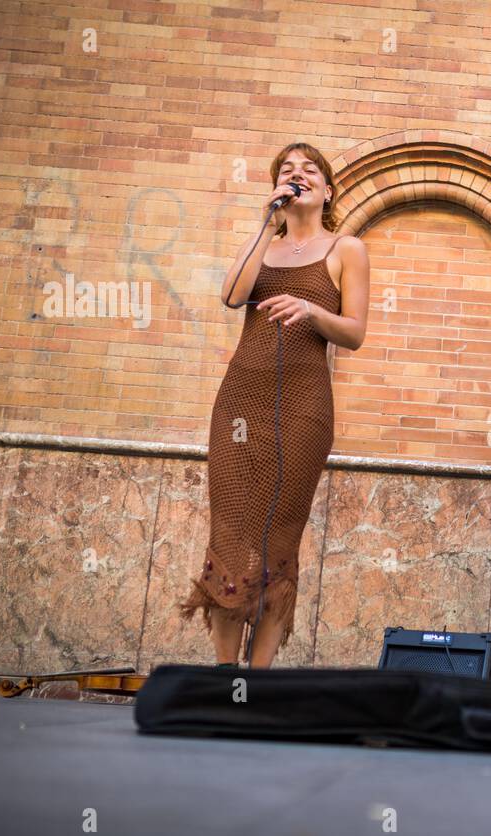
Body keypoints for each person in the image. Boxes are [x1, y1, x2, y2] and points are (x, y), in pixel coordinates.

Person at [180, 142, 370, 667]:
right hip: (241, 399)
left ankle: (257, 681)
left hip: (303, 407)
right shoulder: (261, 242)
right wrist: (267, 226)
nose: (297, 175)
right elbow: (231, 296)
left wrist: (311, 310)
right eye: (287, 170)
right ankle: (225, 676)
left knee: (277, 537)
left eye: (310, 170)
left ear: (328, 190)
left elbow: (354, 333)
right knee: (230, 532)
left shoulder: (346, 249)